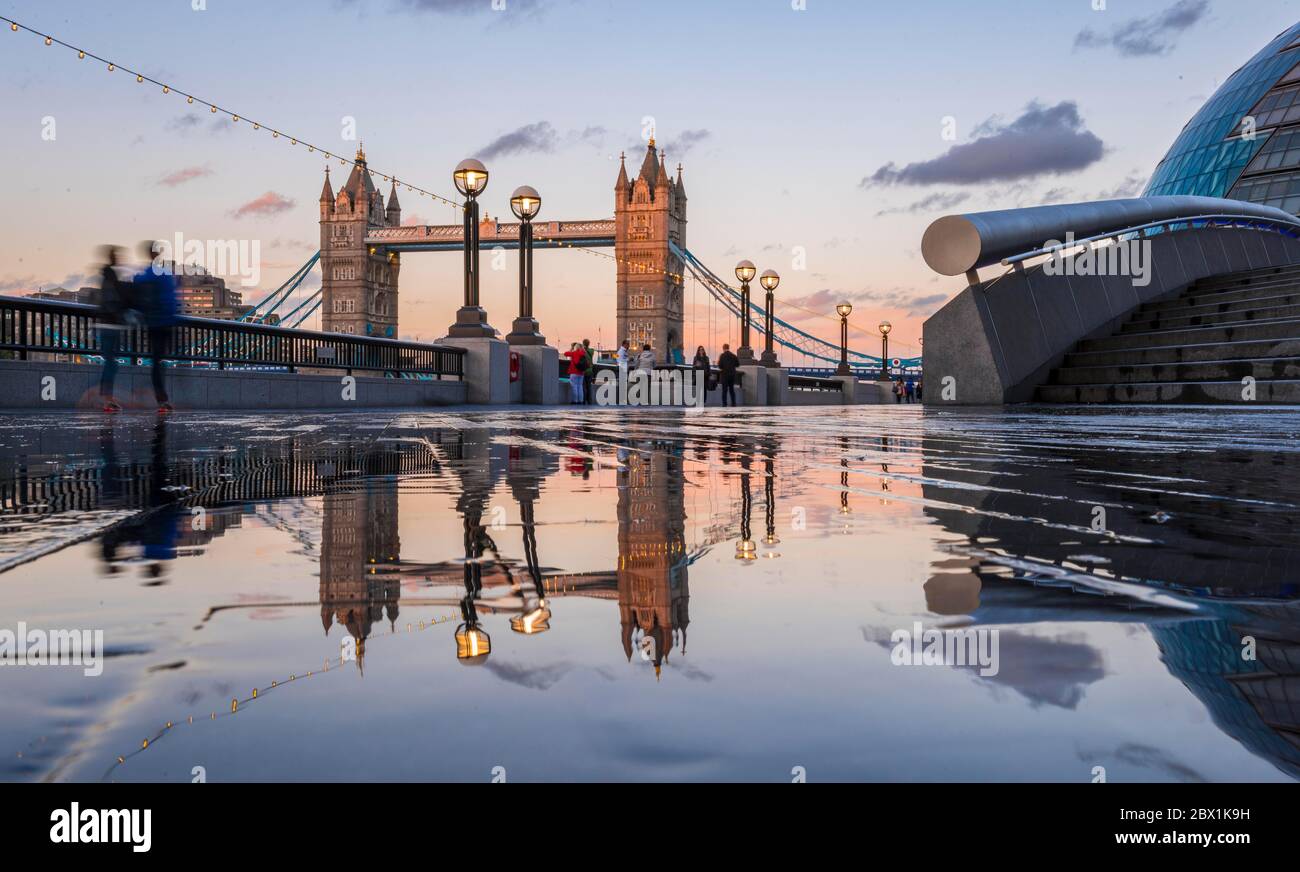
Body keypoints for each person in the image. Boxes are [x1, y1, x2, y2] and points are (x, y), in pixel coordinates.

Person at [133, 241, 179, 414]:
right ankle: (162, 399)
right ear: (158, 254)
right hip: (165, 322)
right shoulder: (165, 275)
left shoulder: (145, 275)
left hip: (152, 322)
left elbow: (137, 289)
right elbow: (171, 300)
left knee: (157, 361)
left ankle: (161, 398)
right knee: (159, 361)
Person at [96, 245, 129, 412]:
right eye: (117, 255)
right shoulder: (111, 276)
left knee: (111, 362)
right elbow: (112, 300)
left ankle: (107, 398)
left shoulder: (106, 276)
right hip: (110, 324)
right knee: (111, 363)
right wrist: (120, 315)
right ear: (112, 257)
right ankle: (107, 400)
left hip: (106, 323)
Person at [717, 342, 739, 407]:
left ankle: (724, 404)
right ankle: (733, 403)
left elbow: (720, 366)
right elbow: (737, 364)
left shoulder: (722, 356)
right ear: (728, 348)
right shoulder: (733, 355)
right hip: (732, 375)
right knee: (732, 390)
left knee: (724, 390)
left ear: (723, 348)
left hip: (724, 375)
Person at [581, 338, 596, 405]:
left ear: (583, 343)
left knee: (583, 387)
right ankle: (590, 401)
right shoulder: (591, 351)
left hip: (584, 371)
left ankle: (584, 401)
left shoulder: (582, 351)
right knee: (589, 386)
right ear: (589, 344)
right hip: (590, 370)